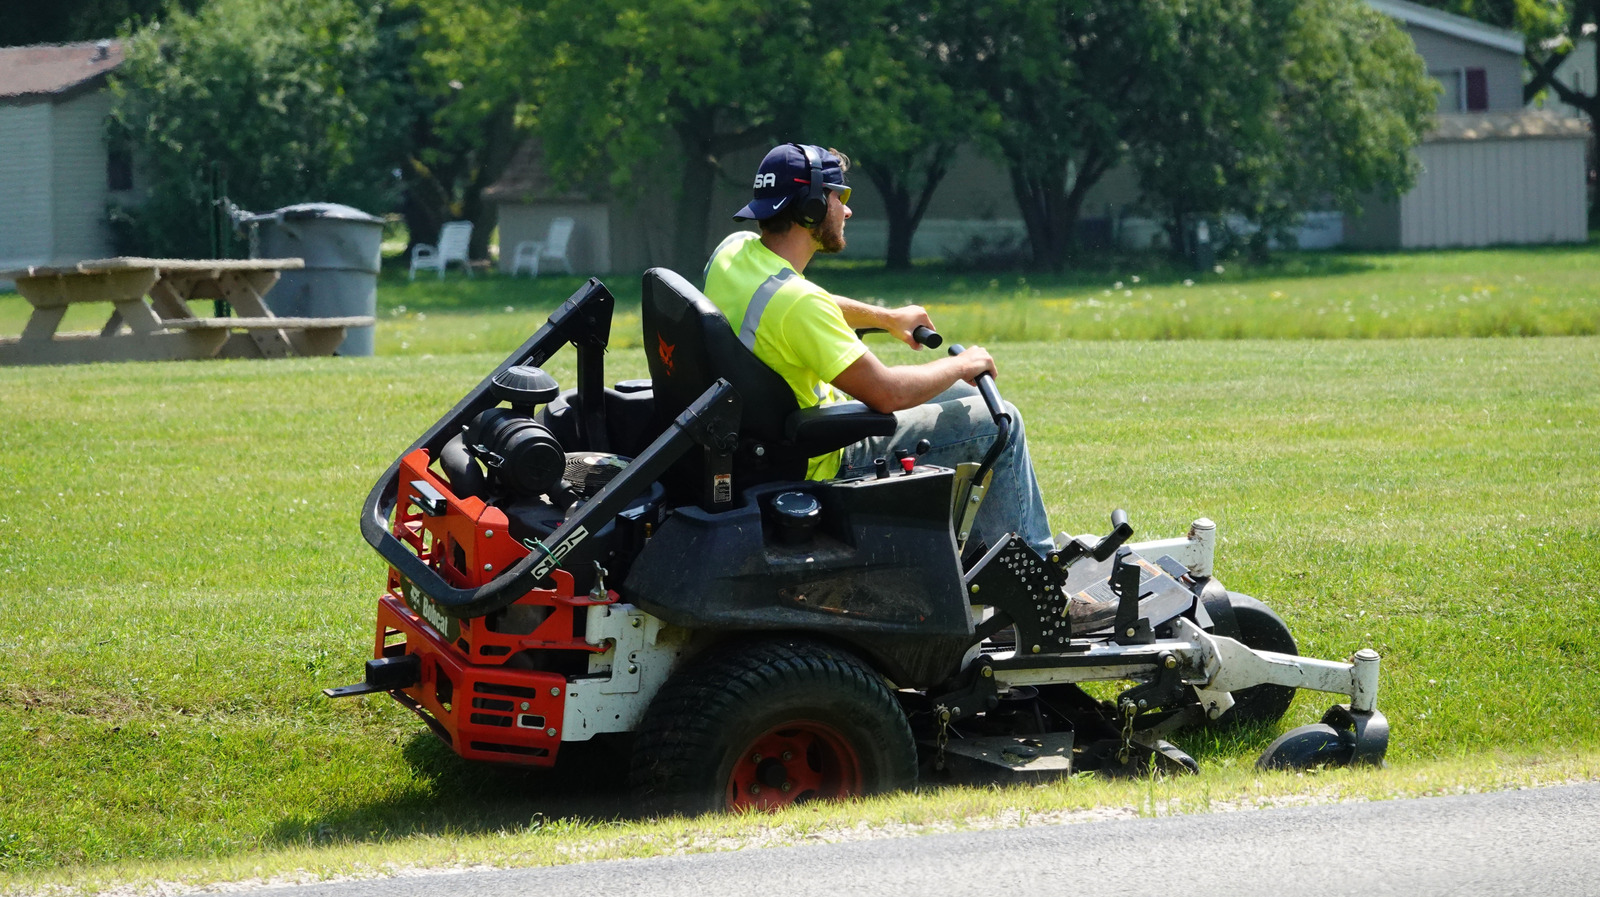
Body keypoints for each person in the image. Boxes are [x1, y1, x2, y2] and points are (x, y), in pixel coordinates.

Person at [701, 143, 1056, 563]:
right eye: (840, 196)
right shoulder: (796, 304)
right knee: (1001, 422)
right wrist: (961, 364)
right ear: (811, 208)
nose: (847, 210)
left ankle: (979, 560)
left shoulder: (734, 252)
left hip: (764, 440)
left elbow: (803, 304)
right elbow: (887, 393)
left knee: (971, 400)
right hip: (821, 459)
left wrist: (887, 318)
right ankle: (1038, 577)